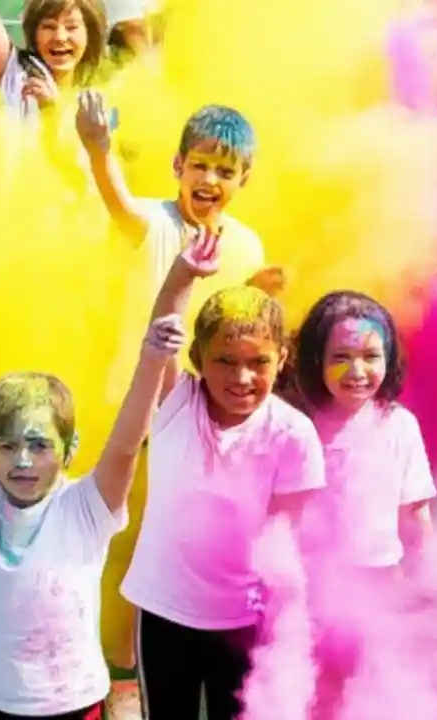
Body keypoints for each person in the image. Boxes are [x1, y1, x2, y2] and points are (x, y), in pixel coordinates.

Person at [0, 262, 185, 719]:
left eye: (39, 445)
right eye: (7, 446)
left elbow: (126, 444)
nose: (23, 461)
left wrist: (152, 359)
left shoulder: (86, 507)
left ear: (70, 449)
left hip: (71, 701)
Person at [120, 230, 325, 719]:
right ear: (197, 360)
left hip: (245, 624)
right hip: (165, 611)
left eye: (258, 362)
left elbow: (289, 543)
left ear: (282, 359)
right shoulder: (177, 404)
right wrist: (182, 275)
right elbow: (160, 333)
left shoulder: (293, 434)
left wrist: (287, 632)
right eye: (225, 361)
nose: (241, 377)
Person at [289, 290, 436, 718]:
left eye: (371, 356)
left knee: (373, 693)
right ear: (316, 360)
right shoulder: (298, 425)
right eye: (341, 357)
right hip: (310, 592)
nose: (357, 371)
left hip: (380, 587)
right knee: (315, 696)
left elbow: (416, 514)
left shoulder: (399, 425)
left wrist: (427, 585)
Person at [76, 93, 276, 296]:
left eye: (225, 173)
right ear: (178, 165)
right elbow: (120, 208)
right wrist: (99, 150)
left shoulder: (246, 247)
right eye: (199, 166)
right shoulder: (153, 221)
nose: (209, 180)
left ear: (243, 179)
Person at [0, 0, 108, 119]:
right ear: (34, 33)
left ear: (90, 33)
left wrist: (53, 109)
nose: (60, 37)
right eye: (49, 27)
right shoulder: (16, 73)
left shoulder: (103, 96)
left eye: (71, 27)